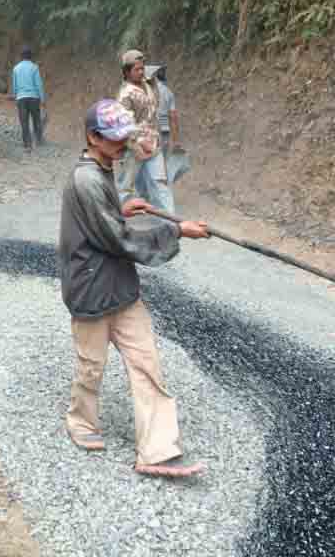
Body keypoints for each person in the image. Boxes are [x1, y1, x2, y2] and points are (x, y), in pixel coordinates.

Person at [58, 99, 209, 478]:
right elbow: (119, 239)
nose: (122, 144)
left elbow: (106, 221)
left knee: (146, 363)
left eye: (124, 137)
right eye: (114, 138)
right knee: (91, 367)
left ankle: (157, 450)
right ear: (93, 137)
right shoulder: (86, 180)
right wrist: (177, 230)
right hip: (91, 288)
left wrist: (120, 208)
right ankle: (80, 421)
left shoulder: (101, 168)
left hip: (120, 287)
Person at [116, 49, 174, 213]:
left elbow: (154, 111)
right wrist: (135, 147)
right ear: (127, 72)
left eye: (142, 68)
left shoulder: (147, 86)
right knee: (126, 187)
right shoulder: (125, 95)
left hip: (153, 145)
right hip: (134, 148)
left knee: (160, 183)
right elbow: (123, 126)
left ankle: (170, 221)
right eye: (137, 69)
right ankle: (117, 219)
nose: (141, 72)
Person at [10, 46, 46, 151]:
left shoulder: (16, 68)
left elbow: (15, 85)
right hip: (34, 98)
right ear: (30, 56)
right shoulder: (34, 67)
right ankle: (38, 140)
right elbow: (39, 84)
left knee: (24, 121)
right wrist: (42, 98)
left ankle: (27, 144)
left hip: (21, 98)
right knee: (36, 119)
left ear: (21, 56)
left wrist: (15, 96)